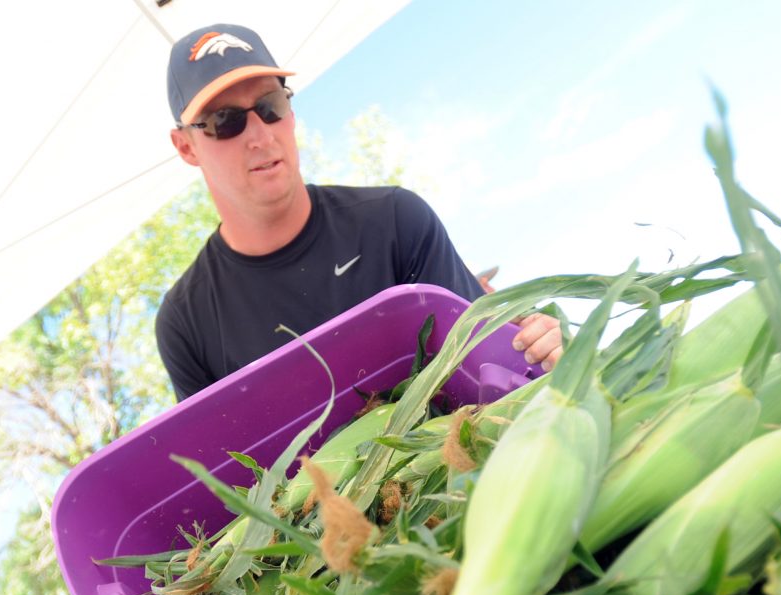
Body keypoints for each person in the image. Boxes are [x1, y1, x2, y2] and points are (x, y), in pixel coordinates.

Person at [156, 23, 562, 401]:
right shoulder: (186, 323)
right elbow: (221, 473)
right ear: (186, 146)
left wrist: (545, 352)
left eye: (270, 104)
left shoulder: (396, 222)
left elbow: (496, 377)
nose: (260, 136)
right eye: (224, 121)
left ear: (290, 112)